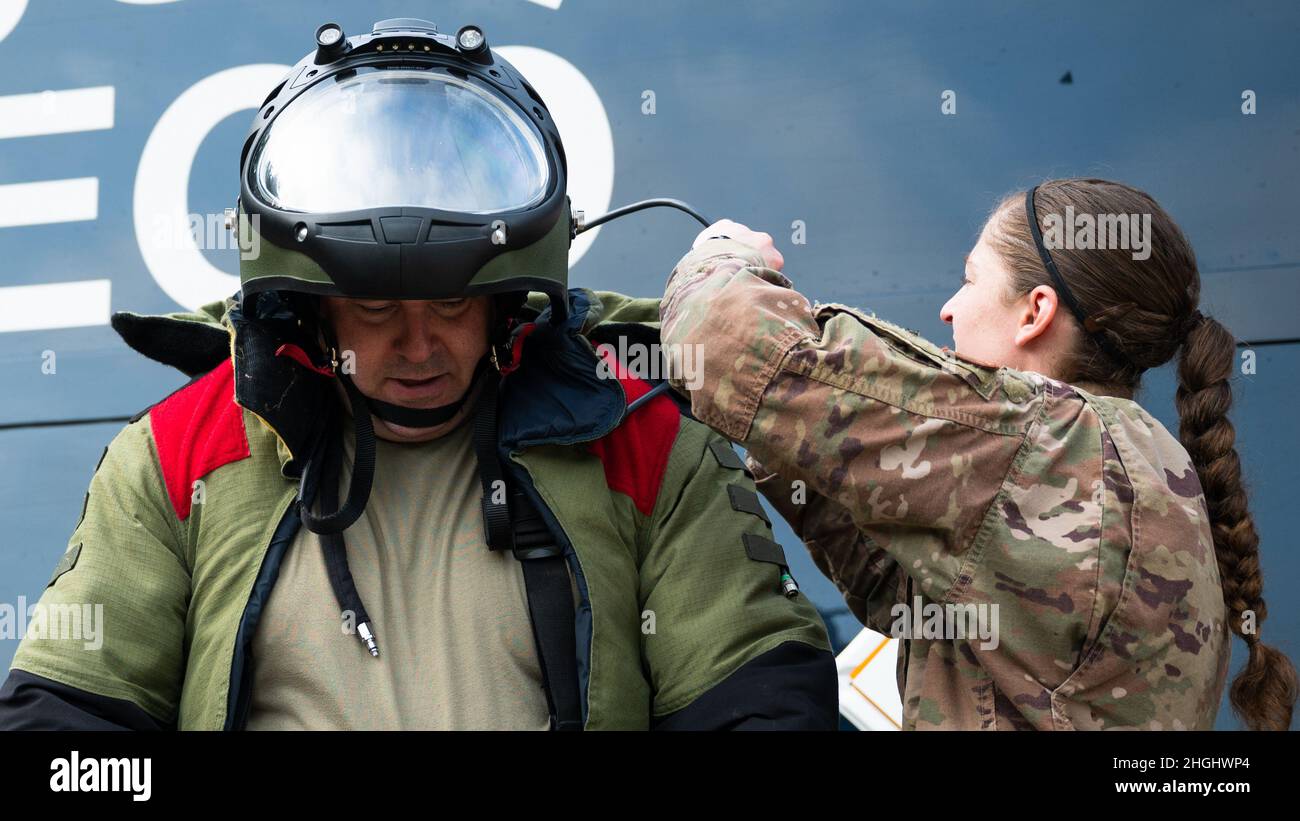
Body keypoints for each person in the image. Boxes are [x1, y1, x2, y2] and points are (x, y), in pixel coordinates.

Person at [0, 17, 835, 730]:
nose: (418, 344)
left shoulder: (642, 440)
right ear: (311, 307)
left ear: (510, 304)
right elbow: (67, 748)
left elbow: (759, 706)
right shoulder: (180, 455)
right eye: (373, 311)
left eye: (453, 305)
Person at [659, 177, 1297, 730]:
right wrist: (793, 435)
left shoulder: (1047, 446)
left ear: (1035, 313)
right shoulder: (1136, 463)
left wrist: (726, 261)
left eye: (968, 281)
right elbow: (901, 593)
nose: (947, 309)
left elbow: (721, 334)